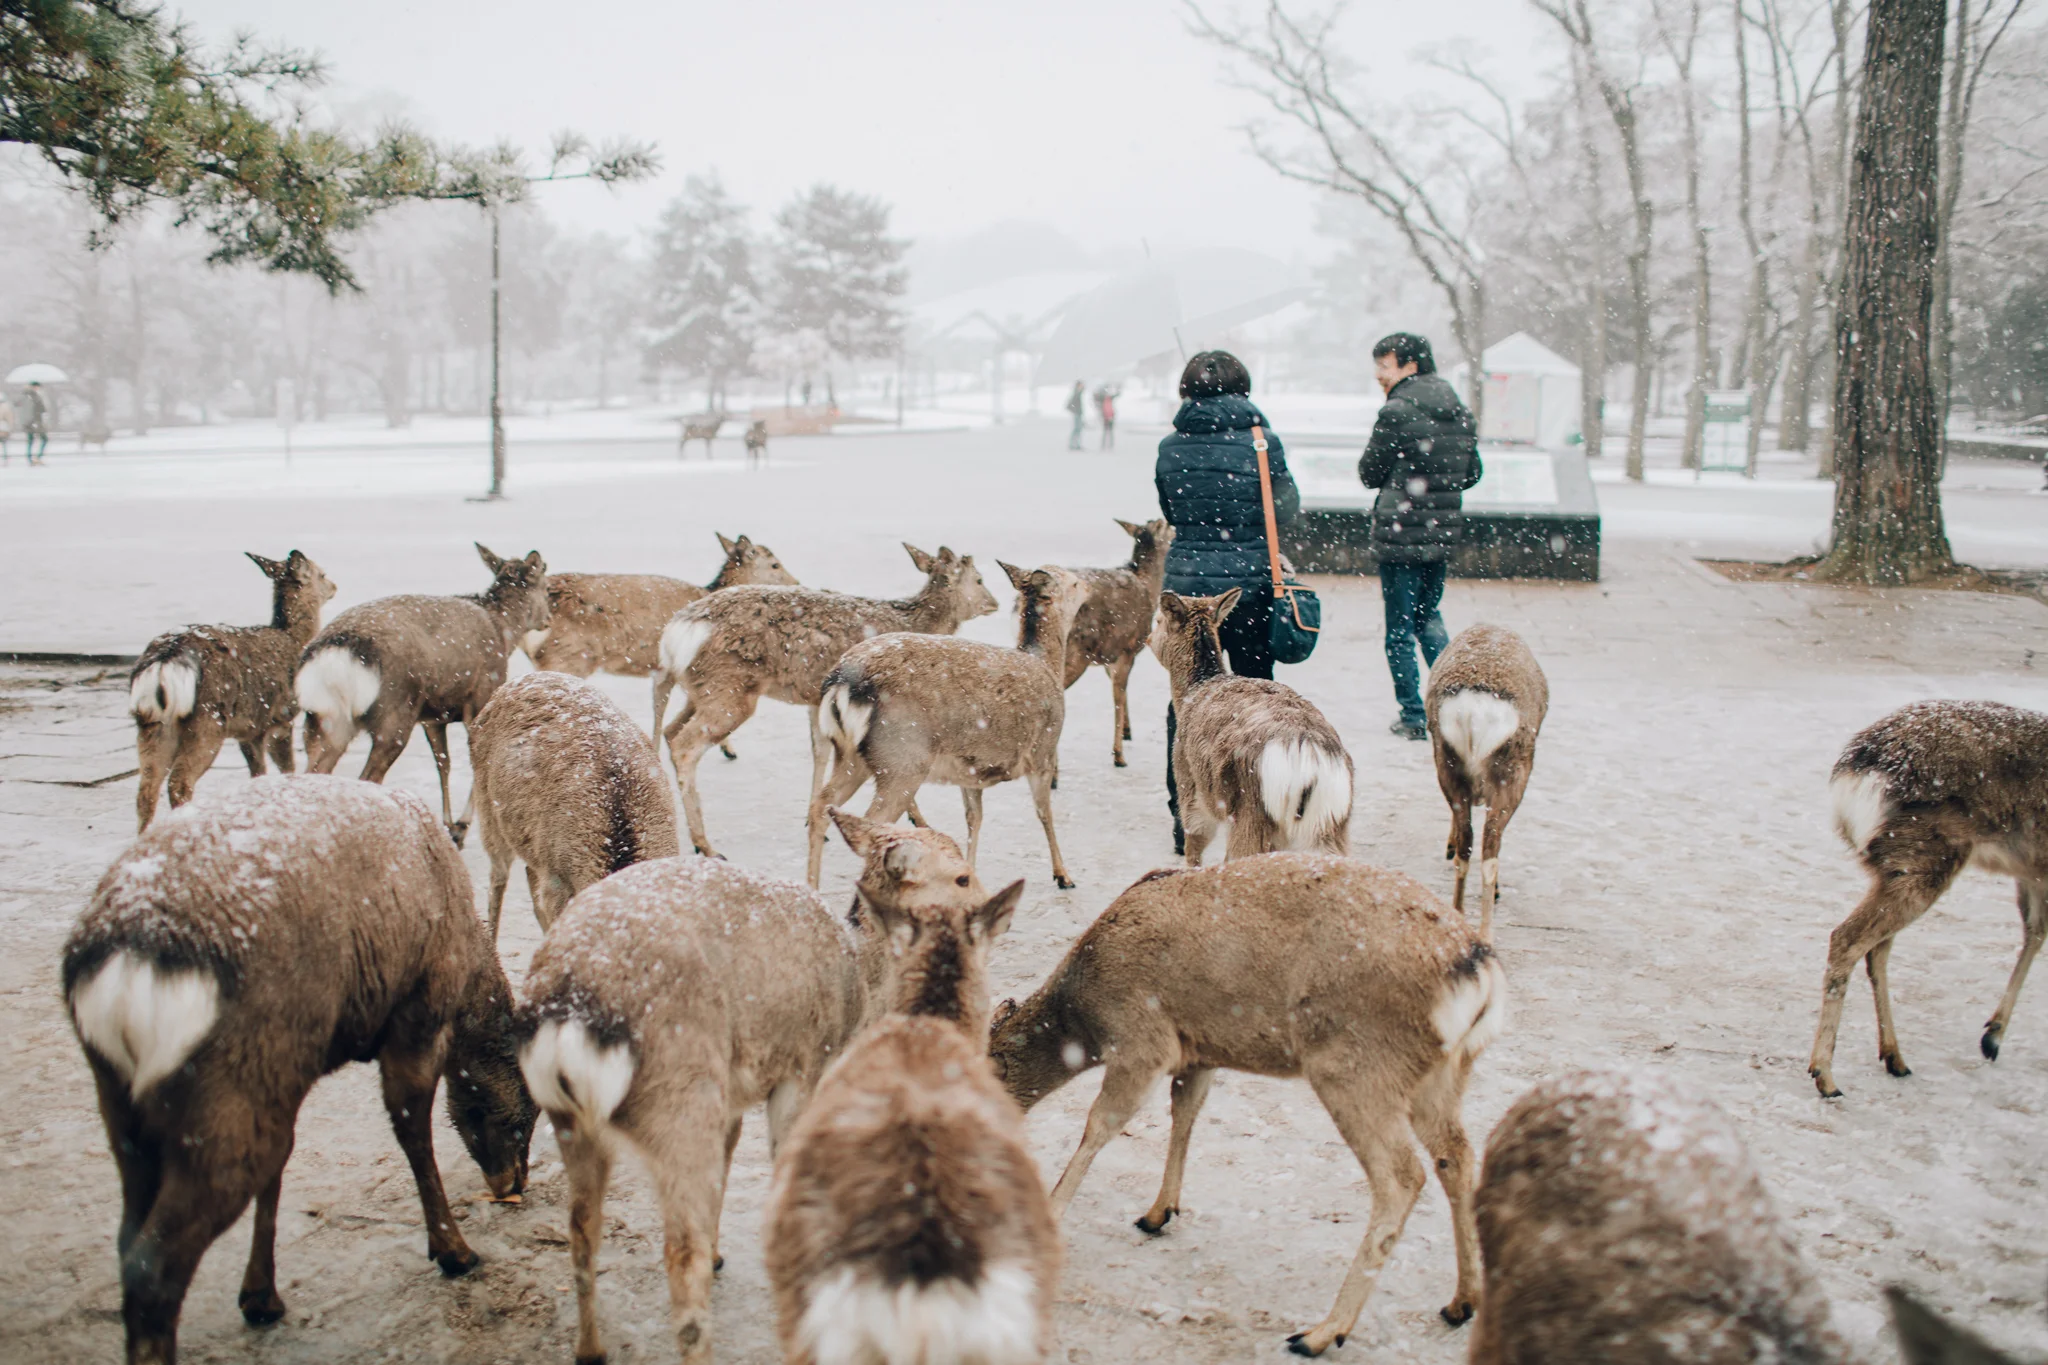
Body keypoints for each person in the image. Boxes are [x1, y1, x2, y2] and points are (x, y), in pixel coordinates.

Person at [1155, 349, 1299, 850]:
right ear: (1244, 387)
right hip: (1250, 587)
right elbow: (1287, 510)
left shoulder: (1170, 446)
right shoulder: (1263, 443)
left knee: (1187, 699)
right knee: (1257, 696)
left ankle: (1186, 815)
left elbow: (1171, 509)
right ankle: (1256, 799)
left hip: (1188, 588)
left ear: (1185, 391)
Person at [1358, 332, 1482, 741]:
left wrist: (1405, 475)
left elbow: (1368, 474)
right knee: (1429, 618)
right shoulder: (1459, 409)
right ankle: (1454, 705)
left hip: (1400, 536)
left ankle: (1413, 715)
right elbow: (1471, 474)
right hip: (1439, 534)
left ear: (1410, 366)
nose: (1378, 374)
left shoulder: (1396, 411)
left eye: (1384, 365)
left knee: (1399, 629)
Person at [22, 381, 49, 466]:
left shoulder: (29, 395)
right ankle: (35, 458)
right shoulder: (32, 396)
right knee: (41, 439)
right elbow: (40, 409)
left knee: (31, 440)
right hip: (34, 421)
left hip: (32, 421)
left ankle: (33, 458)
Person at [1096, 384, 1117, 450]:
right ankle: (1104, 445)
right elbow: (1096, 397)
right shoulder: (1102, 399)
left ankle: (1110, 445)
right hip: (1105, 417)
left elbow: (1116, 395)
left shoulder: (1110, 398)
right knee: (1106, 432)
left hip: (1110, 417)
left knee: (1110, 432)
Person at [1066, 380, 1086, 450]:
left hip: (1078, 414)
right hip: (1077, 414)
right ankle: (1073, 444)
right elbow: (1071, 404)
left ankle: (1076, 444)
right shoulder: (1076, 393)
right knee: (1077, 429)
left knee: (1078, 429)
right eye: (1080, 385)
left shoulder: (1077, 393)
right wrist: (1075, 411)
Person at [0, 392, 14, 464]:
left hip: (3, 427)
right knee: (4, 444)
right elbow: (10, 419)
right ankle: (5, 459)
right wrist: (10, 428)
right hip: (3, 428)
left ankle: (5, 458)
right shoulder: (6, 407)